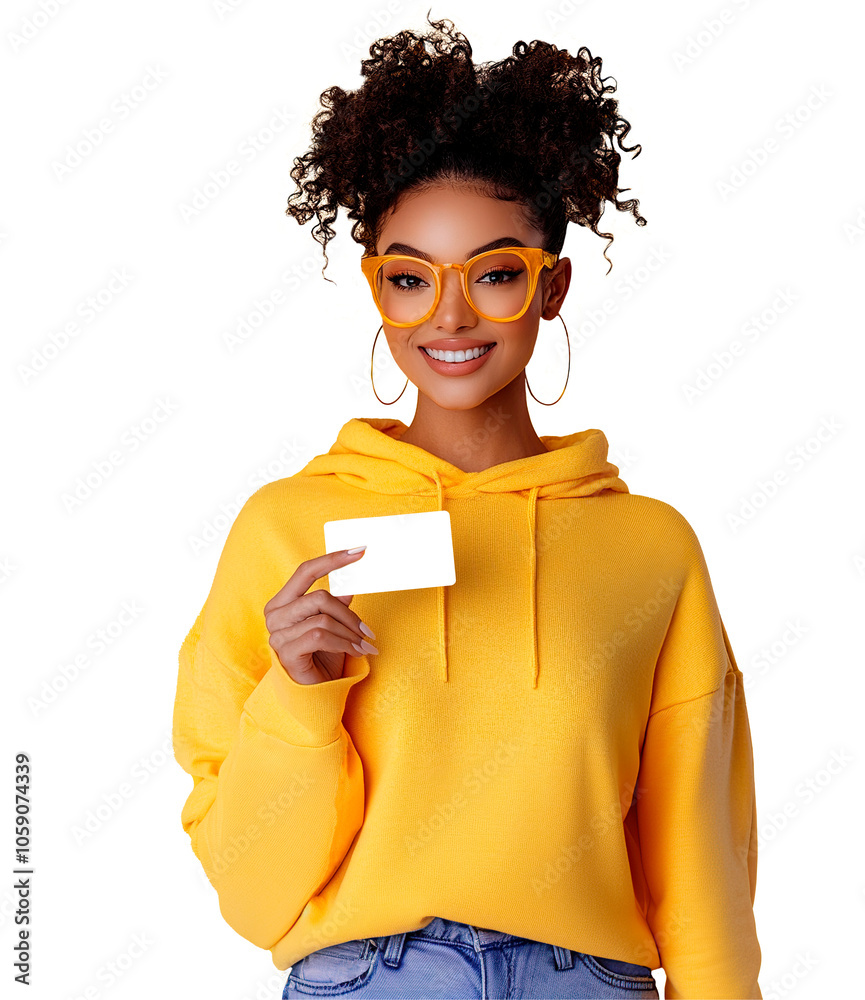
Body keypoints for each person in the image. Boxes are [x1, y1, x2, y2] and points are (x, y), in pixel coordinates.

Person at [172, 15, 762, 999]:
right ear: (378, 292)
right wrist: (301, 696)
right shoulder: (286, 531)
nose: (447, 315)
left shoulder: (650, 549)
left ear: (551, 286)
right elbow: (251, 893)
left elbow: (700, 859)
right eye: (409, 278)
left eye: (493, 274)